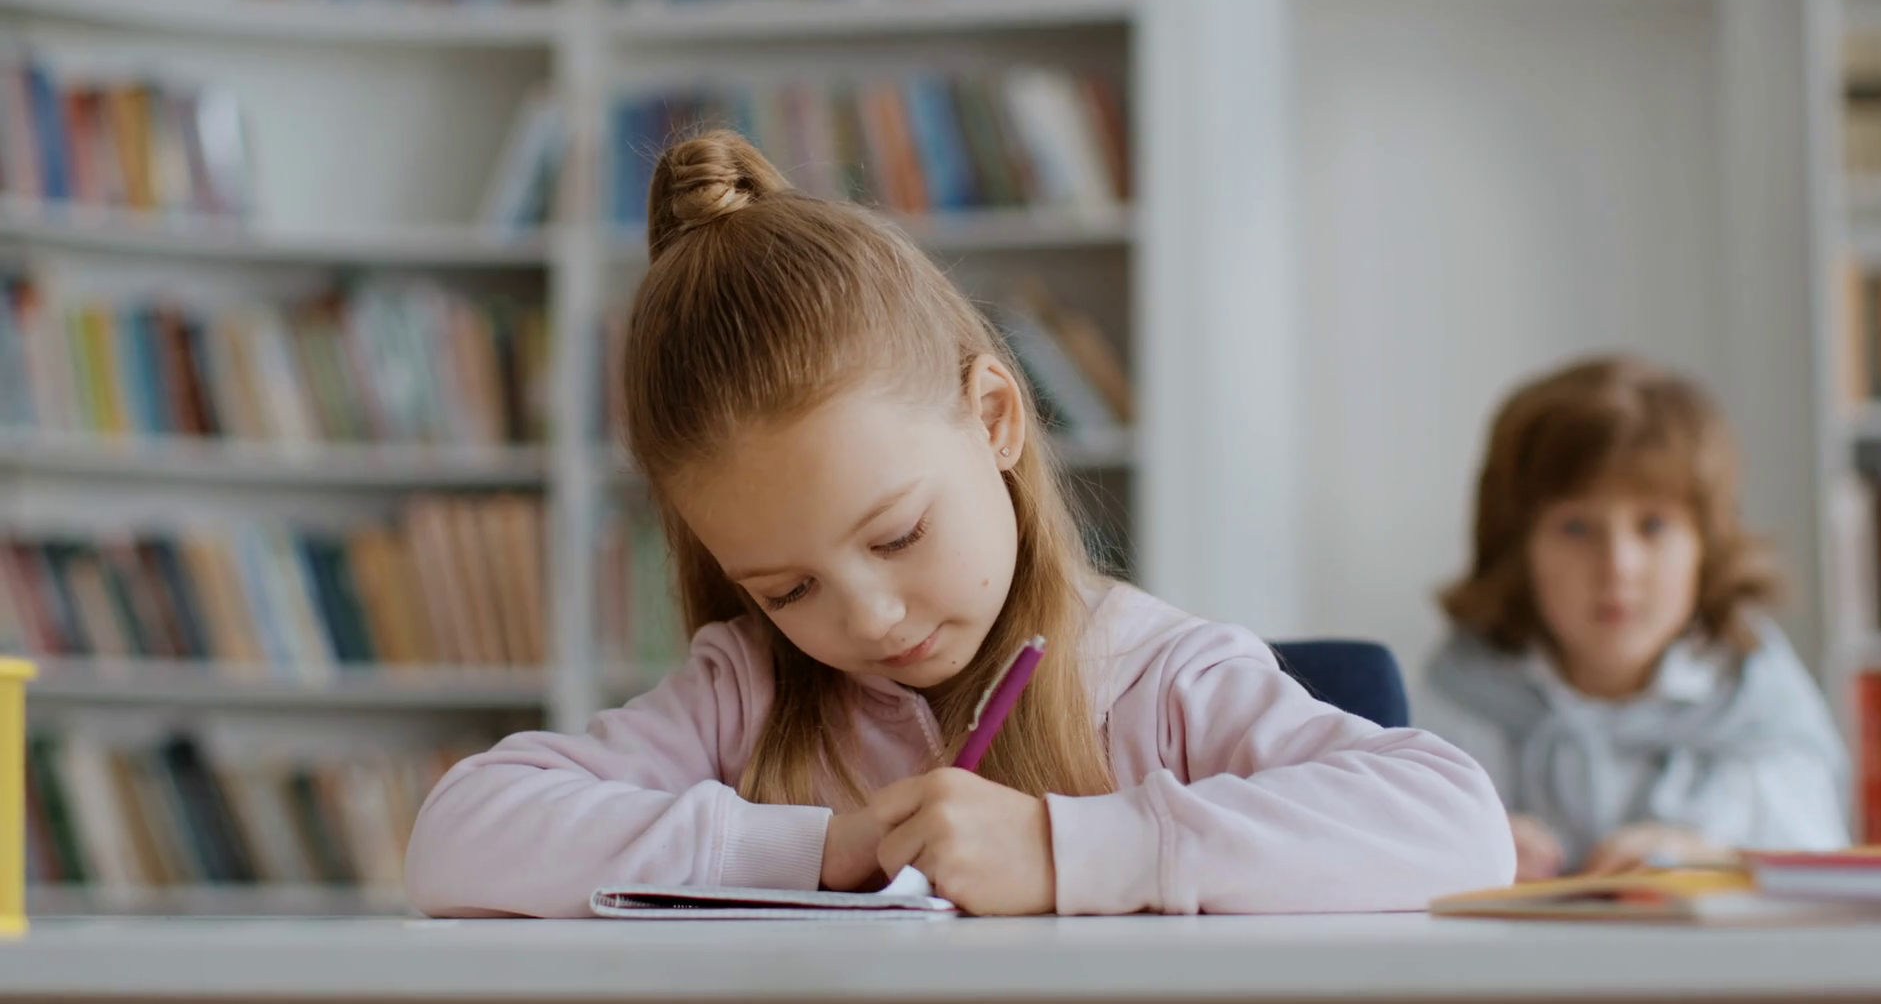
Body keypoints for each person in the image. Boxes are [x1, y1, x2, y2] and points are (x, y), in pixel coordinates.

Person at [403, 131, 1513, 917]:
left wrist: (1068, 850)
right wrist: (820, 851)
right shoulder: (744, 693)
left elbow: (1460, 828)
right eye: (786, 590)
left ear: (994, 418)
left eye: (894, 537)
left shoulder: (1157, 680)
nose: (869, 615)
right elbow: (462, 835)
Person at [1426, 357, 1849, 881]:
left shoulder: (1756, 699)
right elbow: (1400, 864)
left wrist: (1709, 858)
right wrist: (1463, 848)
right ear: (1518, 547)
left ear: (1706, 543)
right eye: (1576, 528)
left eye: (1653, 526)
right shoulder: (1461, 695)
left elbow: (1816, 862)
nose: (1618, 567)